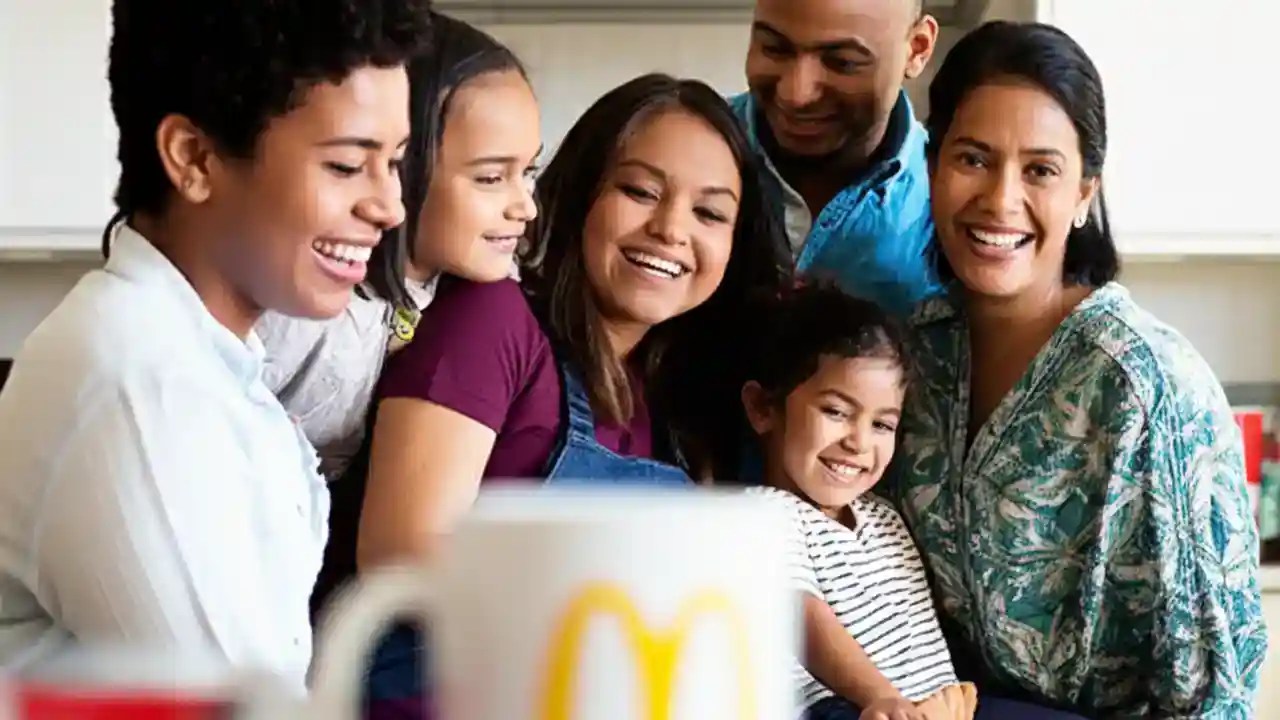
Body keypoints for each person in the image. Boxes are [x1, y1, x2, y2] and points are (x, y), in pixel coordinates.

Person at [325, 73, 790, 718]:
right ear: (580, 192)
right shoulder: (495, 318)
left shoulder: (685, 398)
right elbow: (399, 552)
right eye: (640, 190)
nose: (670, 229)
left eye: (709, 213)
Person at [0, 0, 429, 691]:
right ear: (194, 159)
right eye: (348, 166)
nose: (389, 206)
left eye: (396, 163)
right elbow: (238, 708)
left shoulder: (207, 362)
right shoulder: (136, 383)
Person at [889, 21, 1266, 718]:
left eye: (1040, 170)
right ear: (933, 166)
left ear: (1085, 193)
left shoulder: (1146, 385)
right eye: (972, 158)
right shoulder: (914, 355)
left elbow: (1214, 698)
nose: (1001, 200)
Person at [257, 12, 541, 483]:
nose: (525, 207)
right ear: (401, 166)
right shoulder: (300, 313)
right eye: (492, 178)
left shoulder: (481, 283)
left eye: (528, 172)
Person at [740, 283, 975, 720]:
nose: (858, 442)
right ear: (763, 408)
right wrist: (878, 697)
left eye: (882, 425)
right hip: (838, 708)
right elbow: (800, 615)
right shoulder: (761, 515)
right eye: (836, 412)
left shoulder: (885, 516)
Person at [730, 0, 941, 316]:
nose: (796, 94)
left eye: (843, 62)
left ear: (916, 49)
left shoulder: (949, 197)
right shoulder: (679, 149)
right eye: (775, 48)